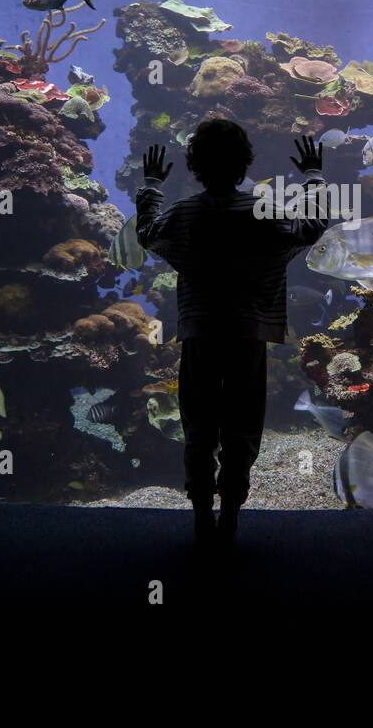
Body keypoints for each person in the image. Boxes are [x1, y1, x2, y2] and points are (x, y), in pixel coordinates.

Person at [135, 120, 328, 548]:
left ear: (193, 166)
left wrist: (151, 186)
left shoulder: (186, 214)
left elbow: (148, 235)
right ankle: (232, 515)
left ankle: (202, 515)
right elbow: (313, 227)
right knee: (242, 426)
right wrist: (312, 176)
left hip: (201, 334)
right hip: (248, 333)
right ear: (246, 164)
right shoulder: (263, 212)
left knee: (199, 425)